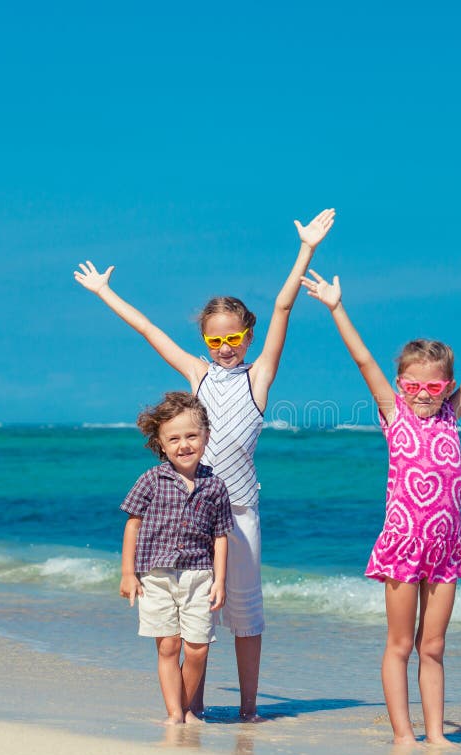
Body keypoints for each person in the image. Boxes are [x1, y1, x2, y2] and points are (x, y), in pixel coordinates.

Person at [74, 208, 335, 719]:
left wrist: (306, 249)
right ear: (205, 342)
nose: (224, 347)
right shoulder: (198, 375)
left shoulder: (257, 379)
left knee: (245, 613)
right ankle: (191, 707)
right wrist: (105, 292)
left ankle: (248, 707)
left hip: (238, 513)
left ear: (247, 337)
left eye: (233, 338)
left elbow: (283, 309)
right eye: (215, 340)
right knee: (199, 618)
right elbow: (150, 330)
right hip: (192, 515)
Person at [300, 269, 461, 745]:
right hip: (403, 545)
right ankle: (403, 735)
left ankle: (436, 735)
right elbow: (363, 358)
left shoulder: (453, 414)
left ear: (447, 387)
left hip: (447, 549)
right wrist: (336, 307)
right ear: (400, 385)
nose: (423, 397)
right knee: (401, 645)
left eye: (434, 389)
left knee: (433, 646)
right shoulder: (394, 415)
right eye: (413, 387)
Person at [120, 391, 232, 725]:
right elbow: (133, 524)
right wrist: (128, 572)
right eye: (174, 438)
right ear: (161, 444)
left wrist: (220, 581)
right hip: (156, 575)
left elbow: (221, 535)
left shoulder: (215, 486)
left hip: (200, 576)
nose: (184, 445)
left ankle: (185, 705)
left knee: (198, 646)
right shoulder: (151, 480)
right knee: (168, 646)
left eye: (191, 436)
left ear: (206, 437)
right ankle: (176, 714)